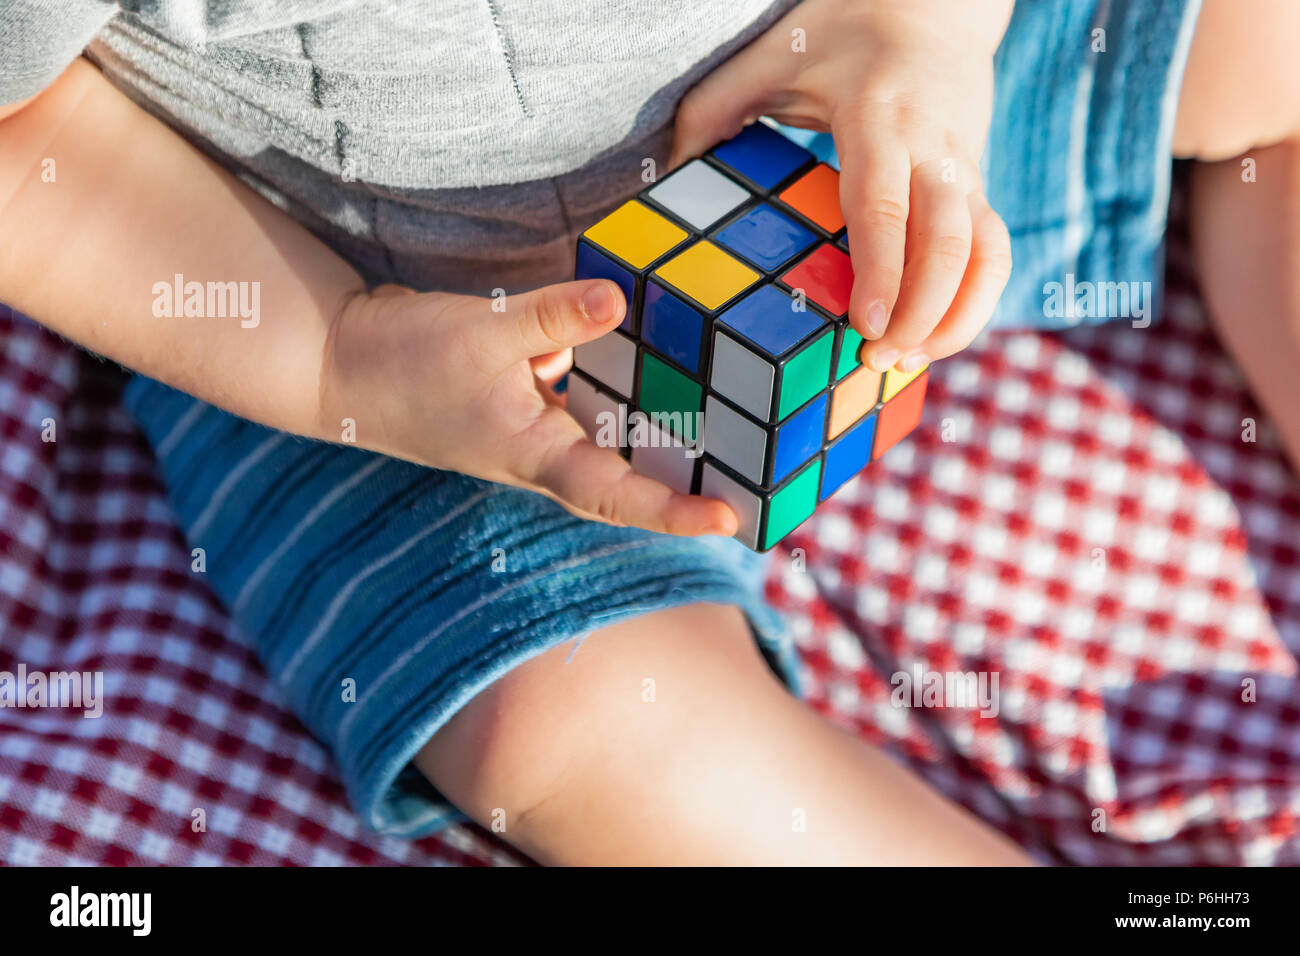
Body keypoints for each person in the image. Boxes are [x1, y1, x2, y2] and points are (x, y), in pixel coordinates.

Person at [1, 0, 1293, 864]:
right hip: (363, 318)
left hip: (877, 91)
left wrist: (915, 31)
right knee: (563, 722)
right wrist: (336, 352)